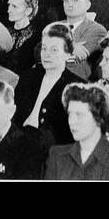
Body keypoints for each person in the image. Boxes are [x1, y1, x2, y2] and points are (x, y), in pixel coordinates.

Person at [44, 83, 109, 180]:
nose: (72, 121)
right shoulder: (57, 155)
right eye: (70, 114)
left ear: (98, 119)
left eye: (79, 115)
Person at [14, 21, 77, 150]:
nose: (47, 54)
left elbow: (66, 135)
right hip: (17, 141)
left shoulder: (75, 87)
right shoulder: (28, 77)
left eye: (54, 49)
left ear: (68, 54)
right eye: (44, 48)